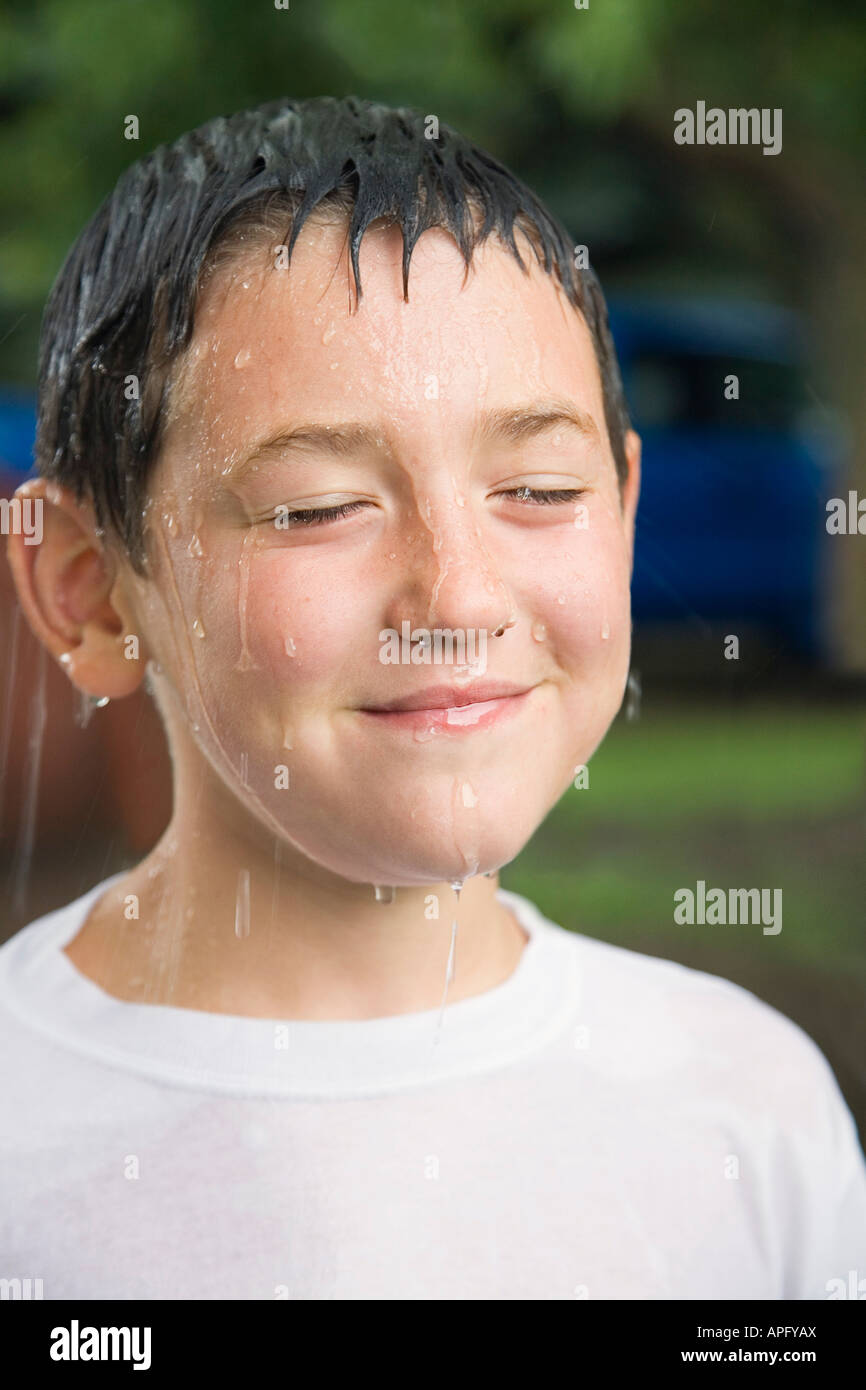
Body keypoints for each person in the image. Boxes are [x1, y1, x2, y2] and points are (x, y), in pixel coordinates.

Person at [2, 96, 864, 1300]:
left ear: (621, 514)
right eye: (315, 507)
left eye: (538, 488)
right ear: (92, 592)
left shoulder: (752, 1106)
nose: (455, 597)